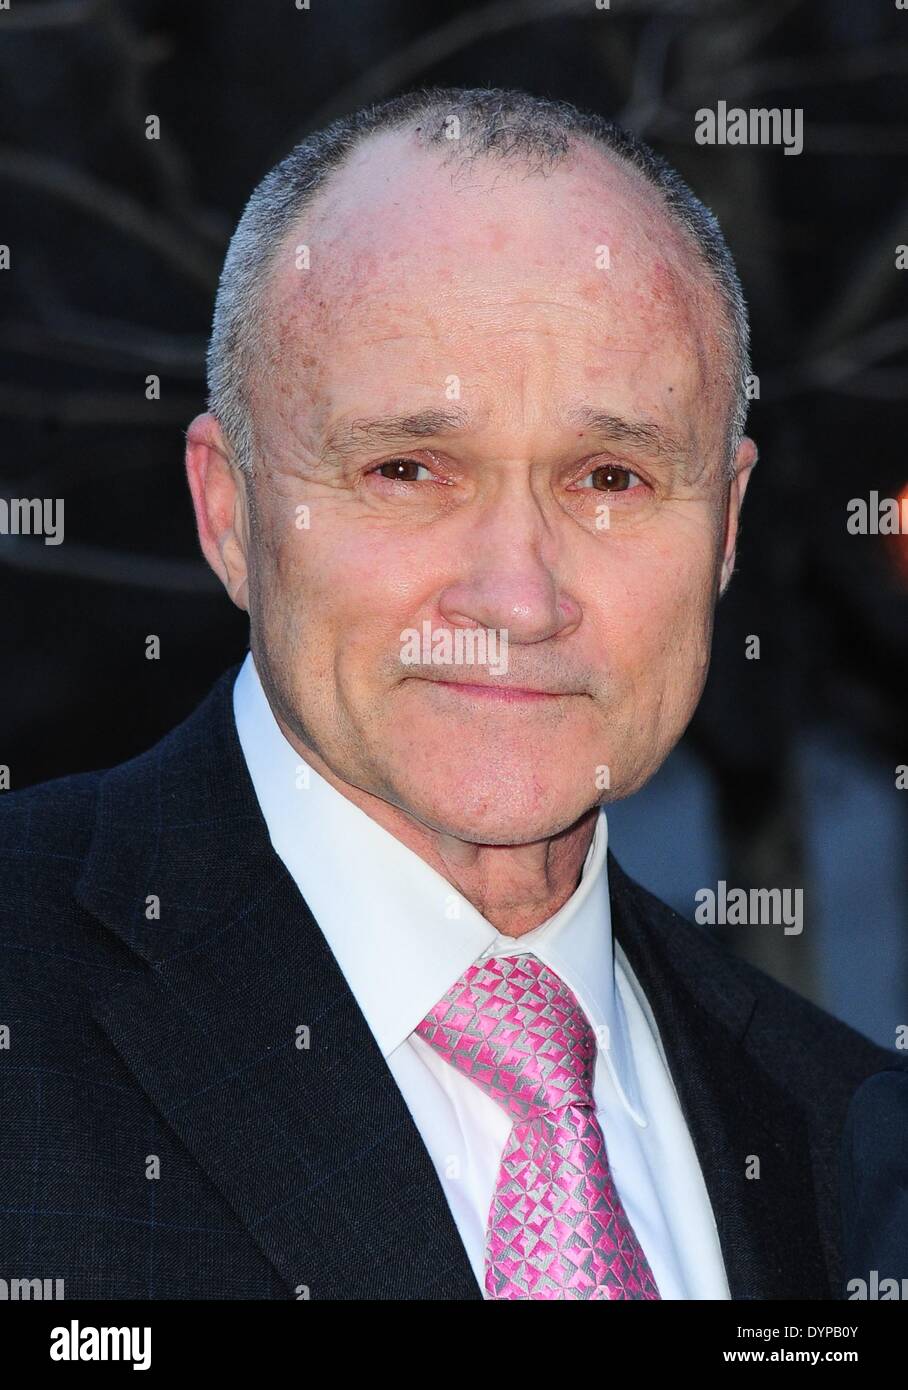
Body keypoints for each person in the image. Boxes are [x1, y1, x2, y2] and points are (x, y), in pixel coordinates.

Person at [1, 87, 902, 1301]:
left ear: (726, 528)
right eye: (409, 468)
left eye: (611, 477)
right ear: (230, 510)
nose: (517, 598)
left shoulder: (855, 1141)